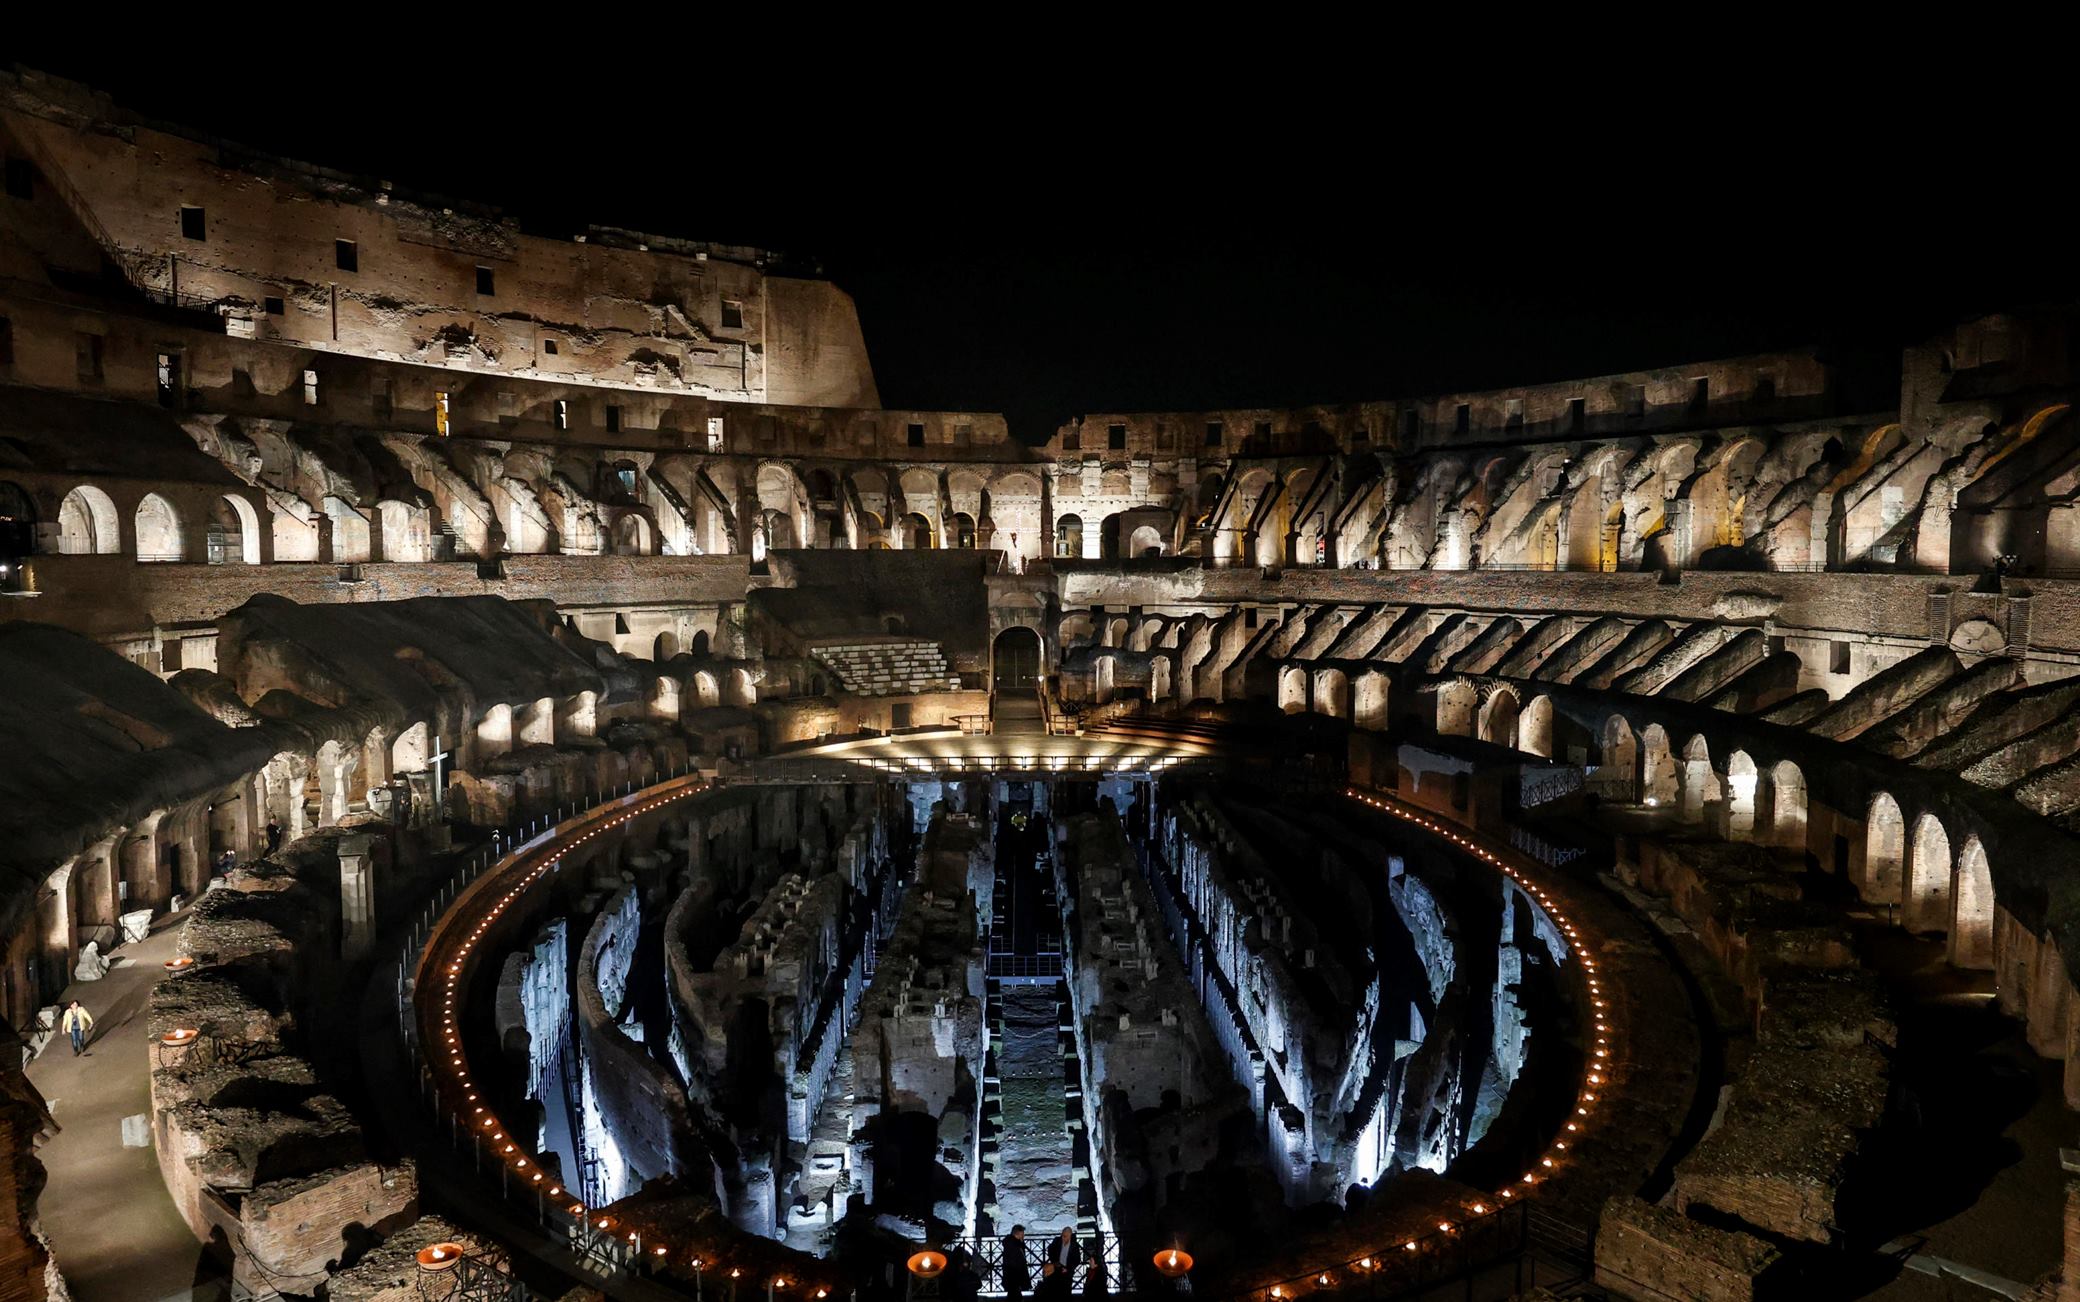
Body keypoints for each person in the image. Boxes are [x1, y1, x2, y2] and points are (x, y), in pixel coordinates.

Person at [1044, 1228, 1081, 1299]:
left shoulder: (1074, 1245)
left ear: (1070, 1236)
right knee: (1055, 1291)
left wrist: (1068, 1269)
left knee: (1066, 1292)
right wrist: (1054, 1261)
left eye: (1065, 1236)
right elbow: (1050, 1249)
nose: (1063, 1237)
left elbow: (1077, 1260)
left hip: (1067, 1272)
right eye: (1062, 1235)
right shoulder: (1057, 1240)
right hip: (1056, 1269)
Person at [1001, 1225, 1030, 1300]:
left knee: (1013, 1294)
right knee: (1014, 1294)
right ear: (1018, 1233)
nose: (1024, 1235)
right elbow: (1015, 1260)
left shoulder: (1013, 1242)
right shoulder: (1013, 1244)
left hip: (1012, 1274)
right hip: (1014, 1274)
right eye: (1022, 1233)